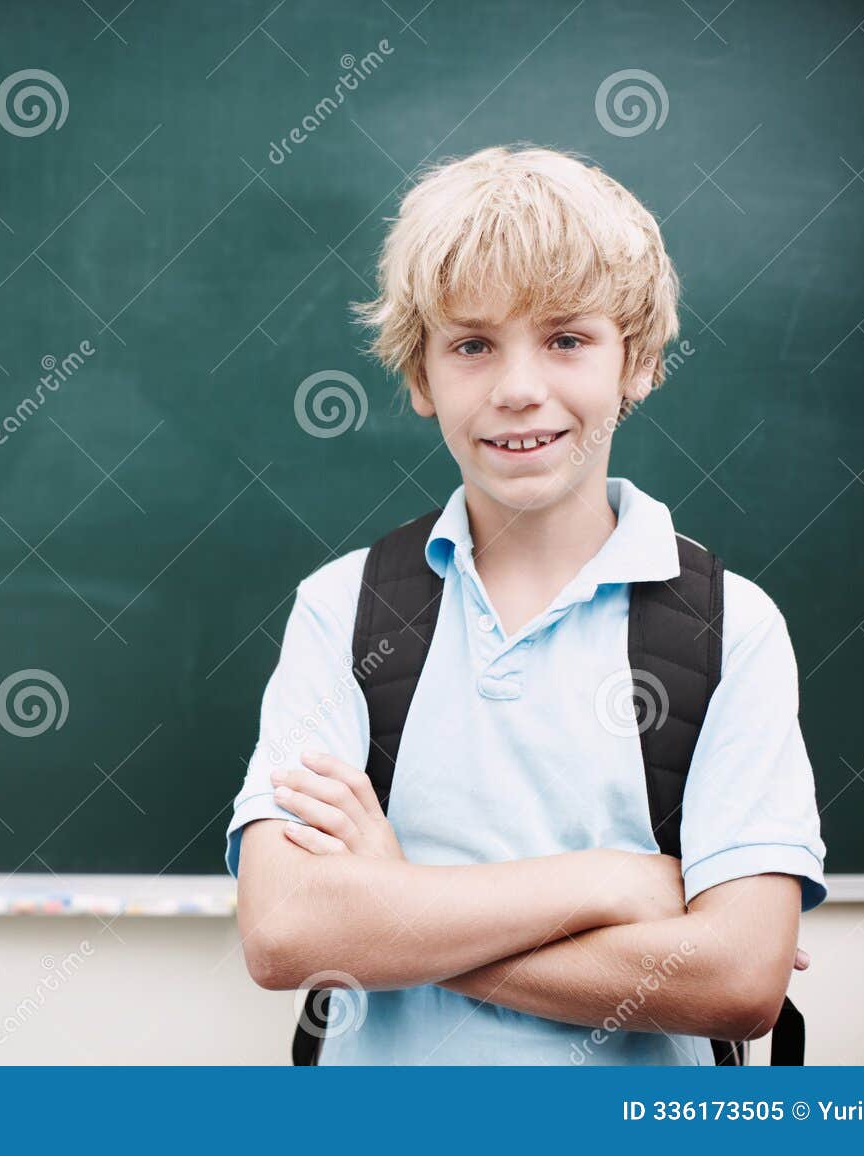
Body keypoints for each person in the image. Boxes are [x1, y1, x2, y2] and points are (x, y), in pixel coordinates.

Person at [226, 145, 826, 1065]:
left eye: (566, 339)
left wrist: (395, 910)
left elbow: (738, 983)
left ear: (640, 361)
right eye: (472, 344)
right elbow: (285, 934)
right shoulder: (341, 609)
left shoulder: (730, 627)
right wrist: (612, 884)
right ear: (421, 379)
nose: (517, 389)